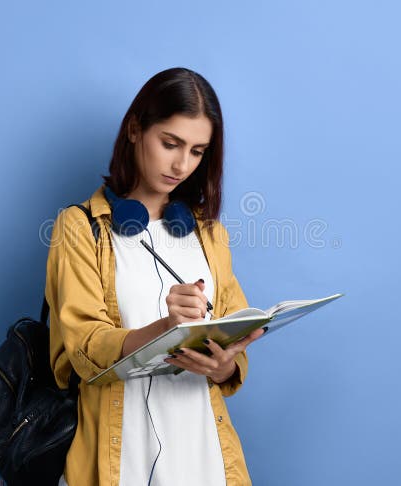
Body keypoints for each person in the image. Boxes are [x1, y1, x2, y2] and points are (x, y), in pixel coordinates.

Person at [45, 67, 264, 486]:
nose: (182, 165)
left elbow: (233, 343)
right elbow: (84, 349)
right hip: (120, 454)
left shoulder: (209, 233)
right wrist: (167, 329)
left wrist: (223, 366)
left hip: (204, 454)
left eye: (197, 151)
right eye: (170, 144)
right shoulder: (79, 228)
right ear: (134, 130)